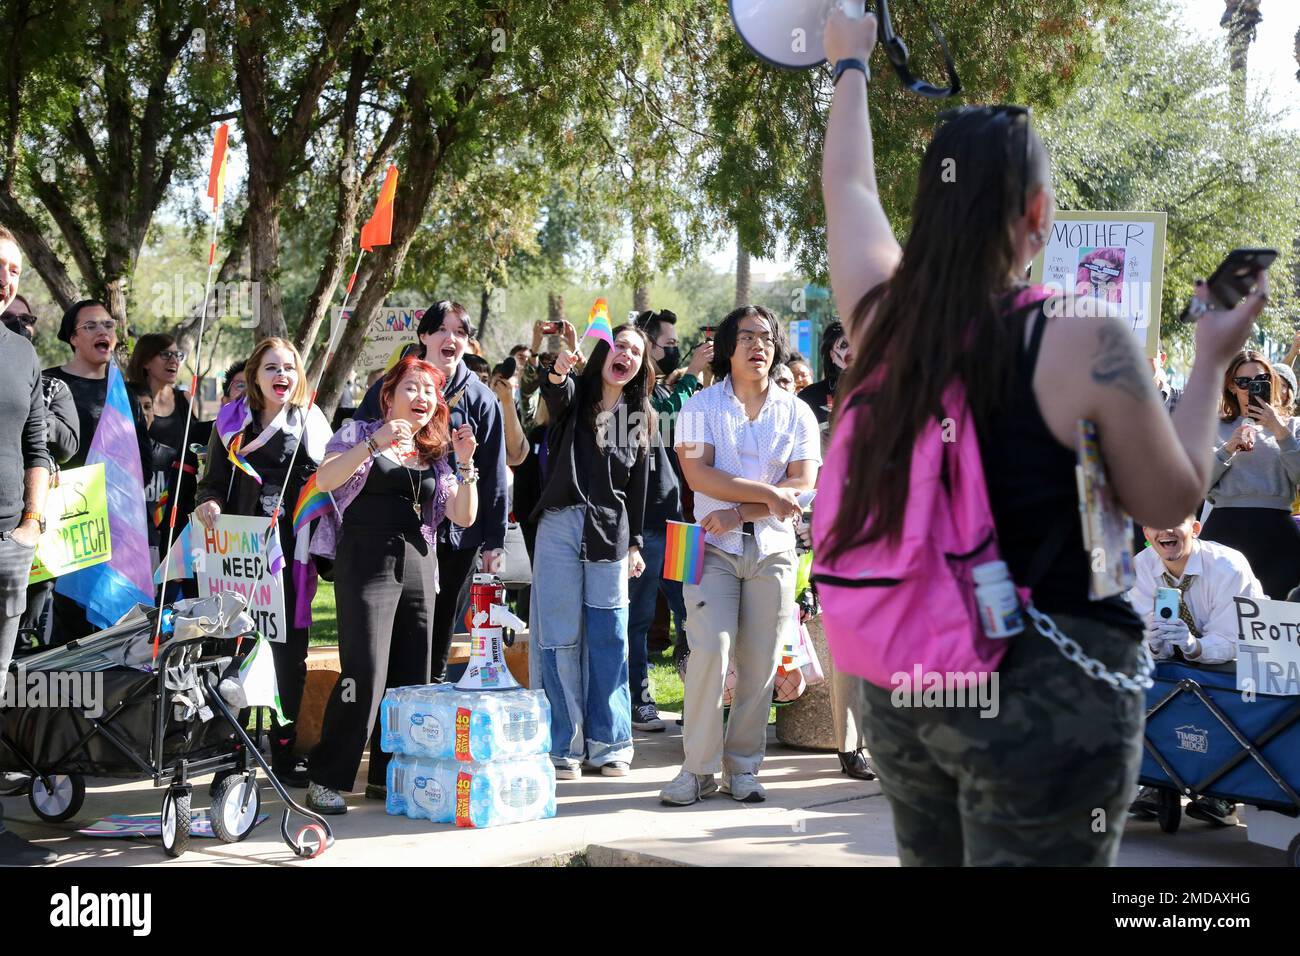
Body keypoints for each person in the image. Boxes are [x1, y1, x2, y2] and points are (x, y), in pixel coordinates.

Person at [816, 8, 1268, 865]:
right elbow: (1171, 496)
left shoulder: (880, 320)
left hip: (903, 682)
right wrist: (1212, 362)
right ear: (1039, 213)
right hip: (1043, 687)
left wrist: (850, 68)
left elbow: (849, 191)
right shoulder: (1080, 337)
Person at [661, 305, 820, 806]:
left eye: (767, 338)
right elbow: (699, 477)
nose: (760, 346)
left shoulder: (797, 411)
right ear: (728, 347)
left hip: (773, 550)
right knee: (710, 651)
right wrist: (767, 497)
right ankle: (698, 769)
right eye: (748, 337)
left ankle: (744, 769)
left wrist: (744, 512)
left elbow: (802, 484)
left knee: (761, 663)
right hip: (709, 548)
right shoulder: (699, 407)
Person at [306, 357, 479, 813]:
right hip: (365, 559)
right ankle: (328, 776)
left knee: (411, 677)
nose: (422, 397)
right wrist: (373, 444)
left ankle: (390, 774)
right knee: (364, 672)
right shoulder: (355, 433)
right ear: (389, 395)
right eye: (412, 388)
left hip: (420, 562)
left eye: (430, 391)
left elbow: (463, 516)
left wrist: (465, 465)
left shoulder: (435, 452)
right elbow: (324, 479)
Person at [194, 337, 333, 787]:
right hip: (239, 551)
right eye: (271, 367)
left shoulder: (311, 420)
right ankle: (231, 744)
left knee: (288, 651)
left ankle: (285, 745)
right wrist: (210, 502)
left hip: (290, 552)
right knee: (234, 647)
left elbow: (330, 483)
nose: (282, 375)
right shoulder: (230, 423)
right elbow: (210, 482)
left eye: (289, 367)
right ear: (254, 375)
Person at [356, 301, 507, 684]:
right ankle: (384, 724)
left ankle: (426, 726)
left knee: (437, 640)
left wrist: (495, 542)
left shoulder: (483, 401)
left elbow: (493, 477)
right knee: (386, 639)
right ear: (423, 336)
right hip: (397, 534)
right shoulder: (390, 387)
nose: (450, 338)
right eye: (442, 329)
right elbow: (357, 443)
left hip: (457, 539)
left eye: (460, 332)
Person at [529, 324, 653, 777]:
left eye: (636, 351)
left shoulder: (640, 414)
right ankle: (563, 745)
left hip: (610, 533)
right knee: (559, 636)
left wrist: (636, 541)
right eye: (620, 345)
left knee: (610, 635)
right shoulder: (576, 397)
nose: (627, 355)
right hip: (560, 523)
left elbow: (638, 485)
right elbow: (555, 395)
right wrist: (558, 373)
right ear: (603, 351)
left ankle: (610, 743)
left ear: (641, 365)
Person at [1127, 515, 1264, 826]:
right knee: (1146, 676)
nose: (1165, 531)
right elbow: (1137, 628)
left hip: (1235, 662)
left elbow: (1234, 640)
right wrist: (1154, 644)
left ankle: (1223, 790)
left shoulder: (1227, 566)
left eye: (1174, 521)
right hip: (1175, 664)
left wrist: (1194, 646)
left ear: (1195, 528)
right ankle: (1159, 775)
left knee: (1228, 690)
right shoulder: (1143, 565)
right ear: (1147, 532)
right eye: (1154, 524)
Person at [45, 300, 151, 639]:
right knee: (69, 623)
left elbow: (142, 464)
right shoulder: (48, 385)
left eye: (108, 324)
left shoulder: (124, 395)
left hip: (116, 529)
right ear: (72, 338)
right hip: (61, 528)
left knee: (114, 629)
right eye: (90, 326)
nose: (103, 331)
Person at [626, 308, 710, 731]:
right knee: (639, 618)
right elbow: (667, 414)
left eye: (679, 343)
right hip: (644, 528)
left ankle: (698, 697)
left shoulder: (671, 390)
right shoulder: (633, 395)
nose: (675, 350)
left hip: (680, 524)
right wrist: (693, 373)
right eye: (668, 344)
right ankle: (639, 698)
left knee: (695, 612)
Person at [0, 223, 55, 865]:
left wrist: (32, 524)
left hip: (9, 548)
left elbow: (36, 448)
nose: (7, 276)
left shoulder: (21, 353)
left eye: (15, 268)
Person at [2, 300, 78, 648]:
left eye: (27, 318)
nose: (19, 324)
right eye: (10, 318)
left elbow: (60, 445)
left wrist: (29, 526)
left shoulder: (49, 383)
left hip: (20, 536)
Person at [1201, 351, 1300, 599]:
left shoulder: (1292, 426)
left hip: (1278, 533)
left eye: (1261, 379)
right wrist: (1228, 448)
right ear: (1232, 387)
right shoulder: (1214, 426)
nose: (1250, 388)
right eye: (1242, 382)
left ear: (1273, 381)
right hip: (1225, 529)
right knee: (1219, 613)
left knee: (1277, 618)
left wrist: (1280, 431)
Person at [128, 333, 192, 553]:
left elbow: (194, 447)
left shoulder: (185, 400)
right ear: (146, 361)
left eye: (177, 355)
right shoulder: (129, 396)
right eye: (165, 354)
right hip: (136, 499)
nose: (174, 360)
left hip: (174, 499)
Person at [796, 320, 850, 428]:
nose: (852, 350)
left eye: (858, 343)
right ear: (832, 355)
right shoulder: (810, 397)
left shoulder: (883, 392)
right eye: (844, 345)